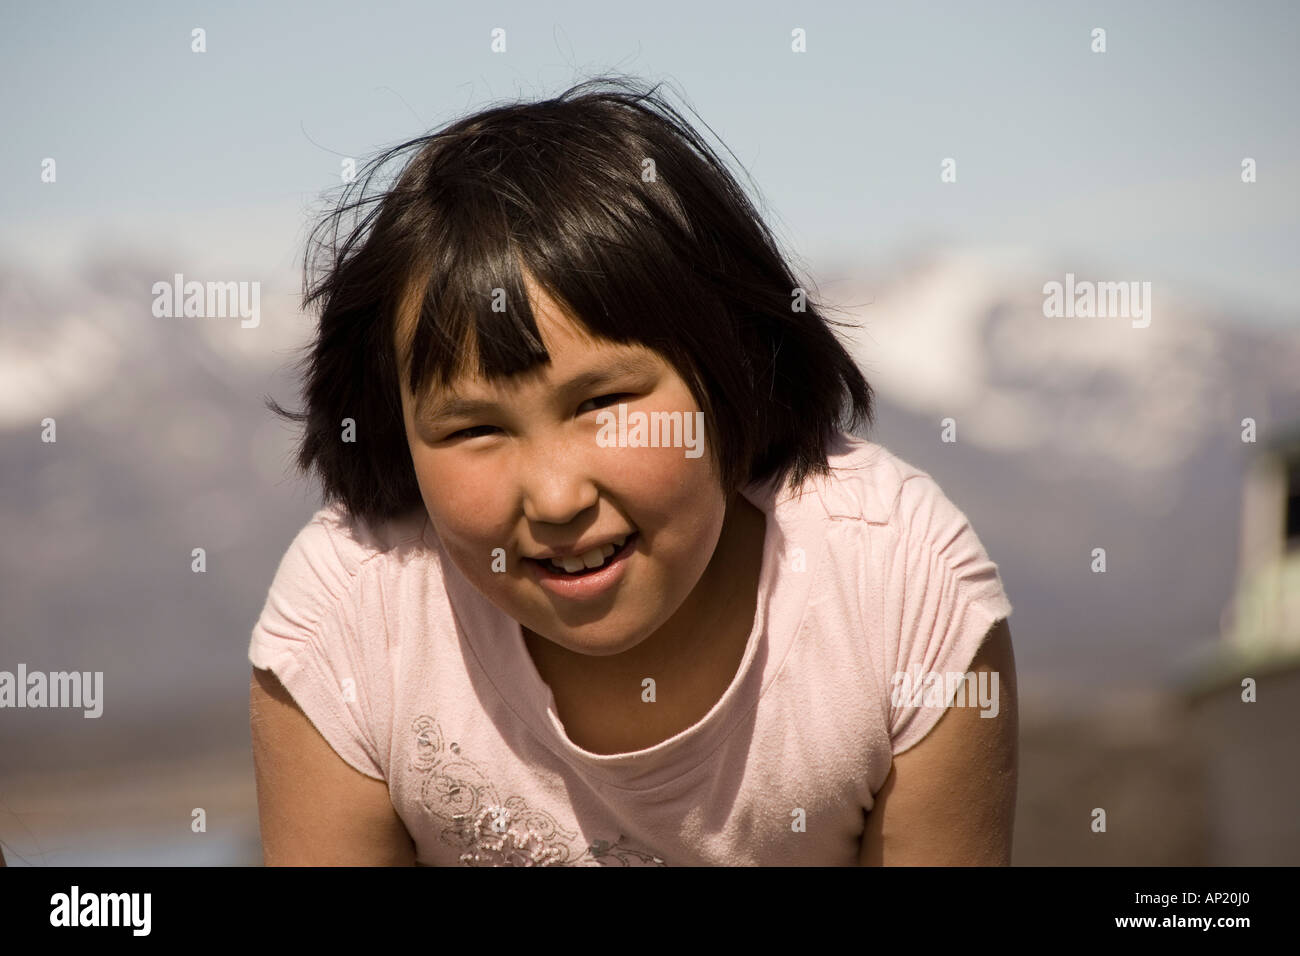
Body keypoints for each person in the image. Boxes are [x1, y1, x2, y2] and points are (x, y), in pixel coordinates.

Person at [248, 75, 1017, 866]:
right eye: (475, 427)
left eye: (602, 403)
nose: (554, 497)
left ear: (733, 372)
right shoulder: (348, 620)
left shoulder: (899, 587)